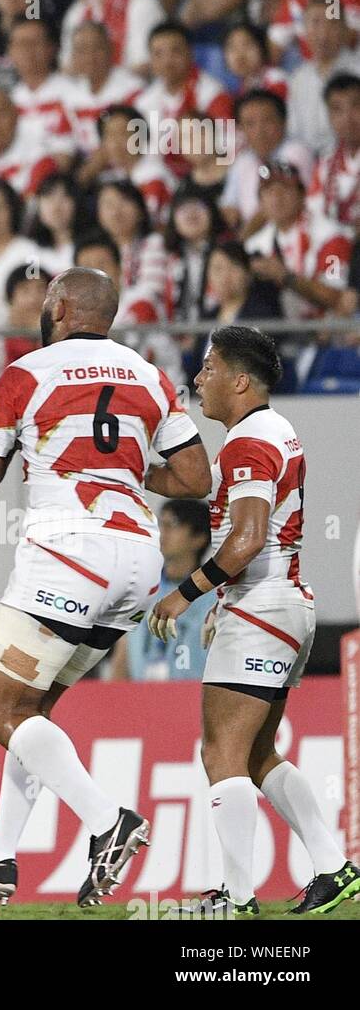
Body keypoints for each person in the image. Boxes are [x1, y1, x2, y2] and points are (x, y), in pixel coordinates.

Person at [0, 266, 210, 909]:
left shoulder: (30, 371)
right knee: (32, 716)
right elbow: (196, 477)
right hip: (139, 560)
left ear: (57, 307)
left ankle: (108, 820)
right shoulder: (148, 373)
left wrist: (10, 444)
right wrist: (129, 475)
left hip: (66, 550)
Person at [149, 326, 360, 916]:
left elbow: (245, 539)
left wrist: (184, 594)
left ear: (240, 381)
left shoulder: (248, 443)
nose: (199, 378)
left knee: (221, 754)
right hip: (282, 605)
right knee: (258, 754)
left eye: (210, 368)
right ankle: (334, 867)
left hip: (263, 608)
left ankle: (235, 899)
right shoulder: (272, 432)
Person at [109, 499, 213, 681]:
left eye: (172, 524)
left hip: (191, 699)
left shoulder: (214, 598)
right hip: (143, 698)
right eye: (160, 524)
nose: (161, 532)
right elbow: (124, 650)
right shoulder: (143, 588)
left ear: (198, 538)